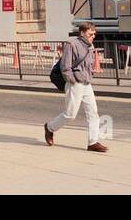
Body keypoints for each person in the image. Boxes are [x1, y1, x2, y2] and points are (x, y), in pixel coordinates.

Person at [44, 21, 107, 153]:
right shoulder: (72, 45)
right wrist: (72, 80)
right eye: (91, 34)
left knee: (93, 112)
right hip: (75, 83)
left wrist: (89, 74)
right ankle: (50, 128)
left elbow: (88, 64)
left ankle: (92, 142)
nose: (93, 36)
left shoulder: (90, 46)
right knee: (70, 115)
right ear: (83, 33)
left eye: (94, 34)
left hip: (86, 83)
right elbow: (65, 66)